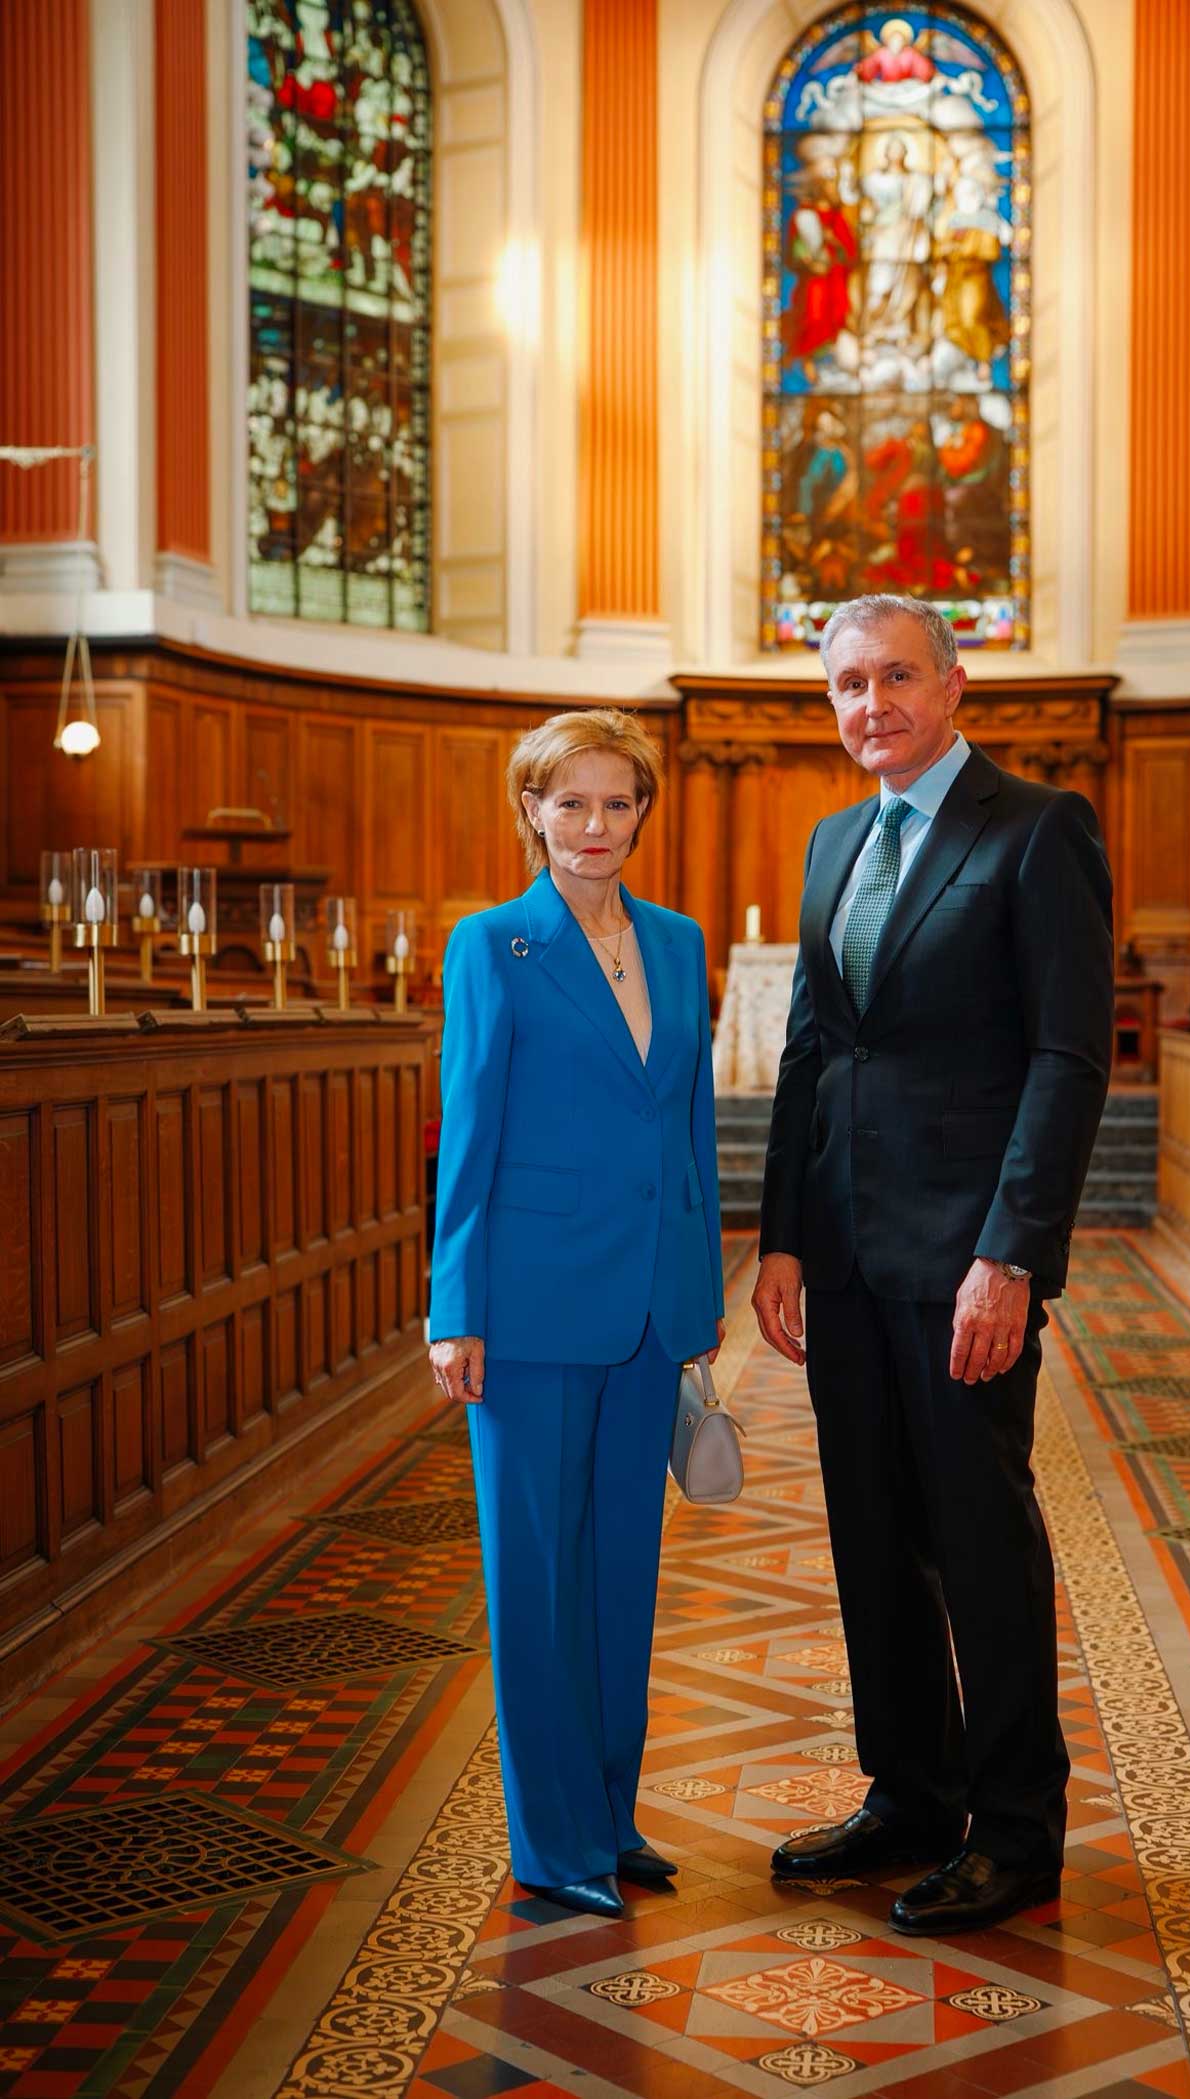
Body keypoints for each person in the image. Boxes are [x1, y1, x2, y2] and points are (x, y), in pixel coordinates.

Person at [753, 594, 1113, 1935]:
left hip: (966, 1257)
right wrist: (784, 1227)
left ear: (955, 683)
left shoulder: (1037, 829)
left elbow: (1069, 1056)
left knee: (977, 1537)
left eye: (898, 674)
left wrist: (1011, 1254)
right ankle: (909, 1789)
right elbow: (809, 1046)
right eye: (848, 683)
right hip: (845, 1250)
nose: (872, 702)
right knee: (871, 1536)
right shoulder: (834, 838)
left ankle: (1016, 1827)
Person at [428, 709, 726, 1922]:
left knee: (619, 1576)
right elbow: (467, 1128)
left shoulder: (677, 937)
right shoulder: (491, 944)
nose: (595, 827)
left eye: (616, 803)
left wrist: (700, 1290)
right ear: (531, 813)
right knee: (534, 1581)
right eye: (571, 804)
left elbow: (690, 1128)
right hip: (529, 1310)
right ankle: (553, 1842)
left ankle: (610, 1815)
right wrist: (454, 1306)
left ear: (643, 812)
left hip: (652, 1310)